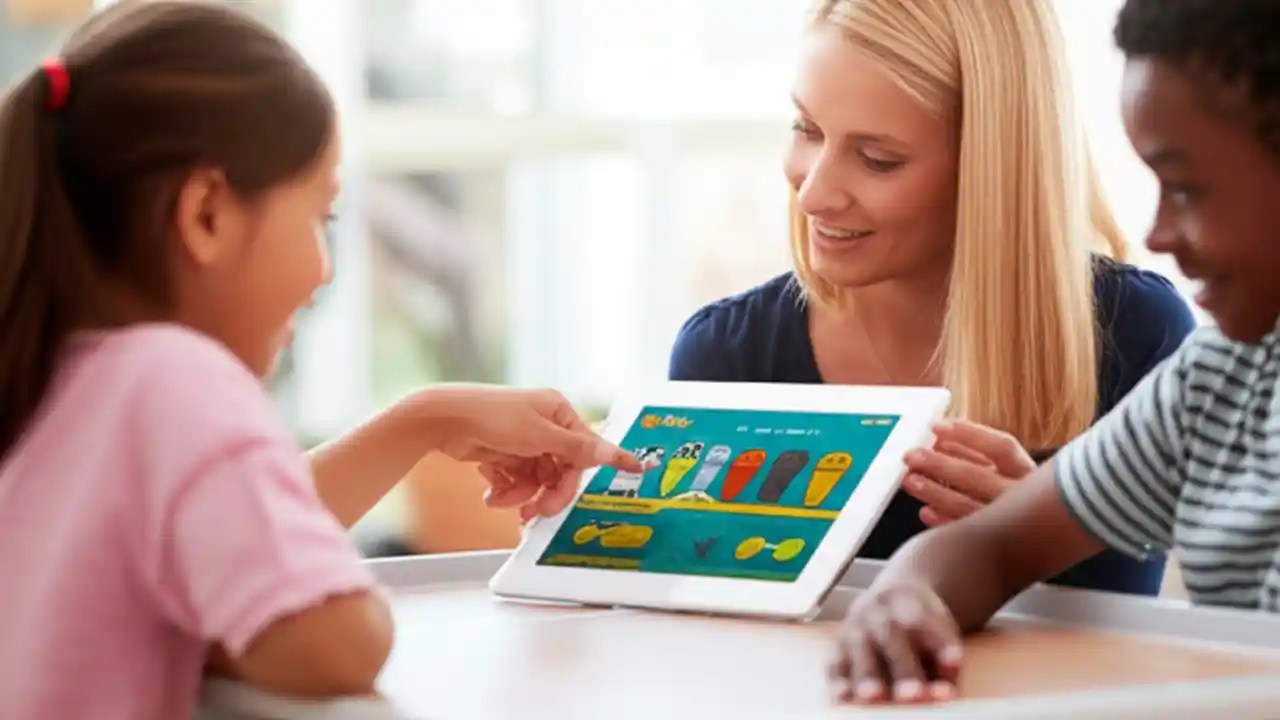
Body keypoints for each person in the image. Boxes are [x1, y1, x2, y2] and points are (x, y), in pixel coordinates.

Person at [0, 4, 639, 719]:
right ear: (207, 213)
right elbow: (334, 646)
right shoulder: (173, 379)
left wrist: (424, 420)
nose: (324, 270)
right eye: (319, 217)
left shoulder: (58, 379)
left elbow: (224, 524)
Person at [829, 0, 1280, 705]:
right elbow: (990, 545)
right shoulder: (1219, 380)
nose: (1157, 233)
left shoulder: (1152, 331)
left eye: (1187, 189)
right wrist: (907, 593)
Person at [668, 0, 1195, 596]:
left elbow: (1128, 649)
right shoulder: (725, 358)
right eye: (807, 130)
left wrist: (1041, 542)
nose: (814, 194)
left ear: (991, 167)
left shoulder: (1135, 334)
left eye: (877, 159)